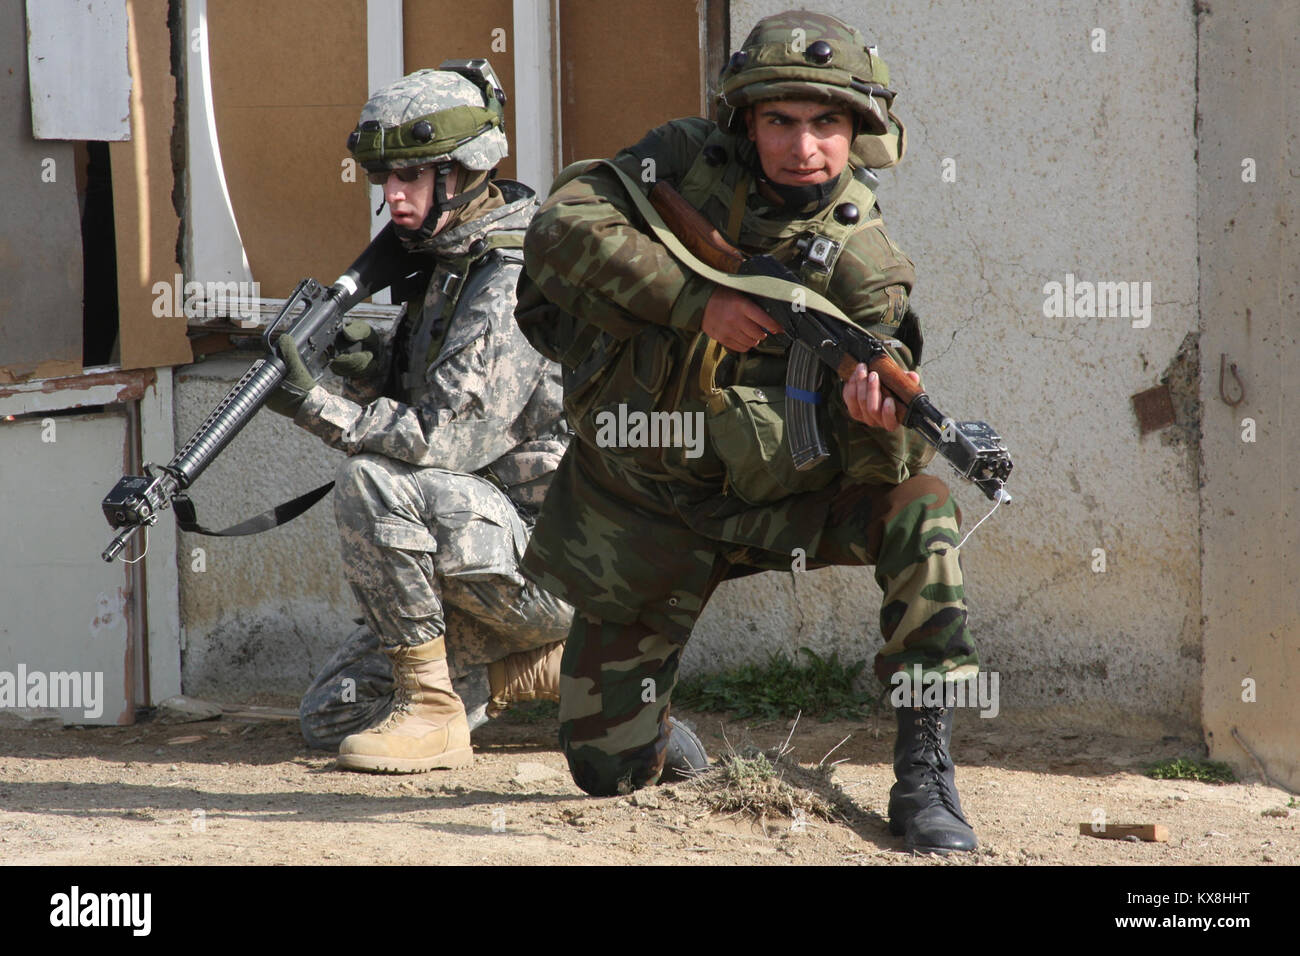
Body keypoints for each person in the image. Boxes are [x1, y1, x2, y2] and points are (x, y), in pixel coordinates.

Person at [516, 11, 981, 852]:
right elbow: (558, 229)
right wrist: (698, 301)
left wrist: (877, 426)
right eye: (781, 122)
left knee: (923, 507)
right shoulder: (685, 160)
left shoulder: (863, 266)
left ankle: (925, 762)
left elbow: (881, 454)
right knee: (606, 771)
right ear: (745, 122)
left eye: (827, 124)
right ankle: (659, 736)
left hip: (778, 505)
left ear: (858, 134)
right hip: (647, 502)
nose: (805, 148)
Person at [267, 62, 574, 773]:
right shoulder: (447, 255)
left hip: (544, 569)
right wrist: (365, 361)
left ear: (463, 172)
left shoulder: (509, 273)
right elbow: (438, 390)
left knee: (372, 481)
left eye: (411, 177)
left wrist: (317, 406)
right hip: (476, 556)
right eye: (384, 180)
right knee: (333, 713)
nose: (392, 198)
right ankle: (573, 673)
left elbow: (444, 440)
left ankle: (435, 713)